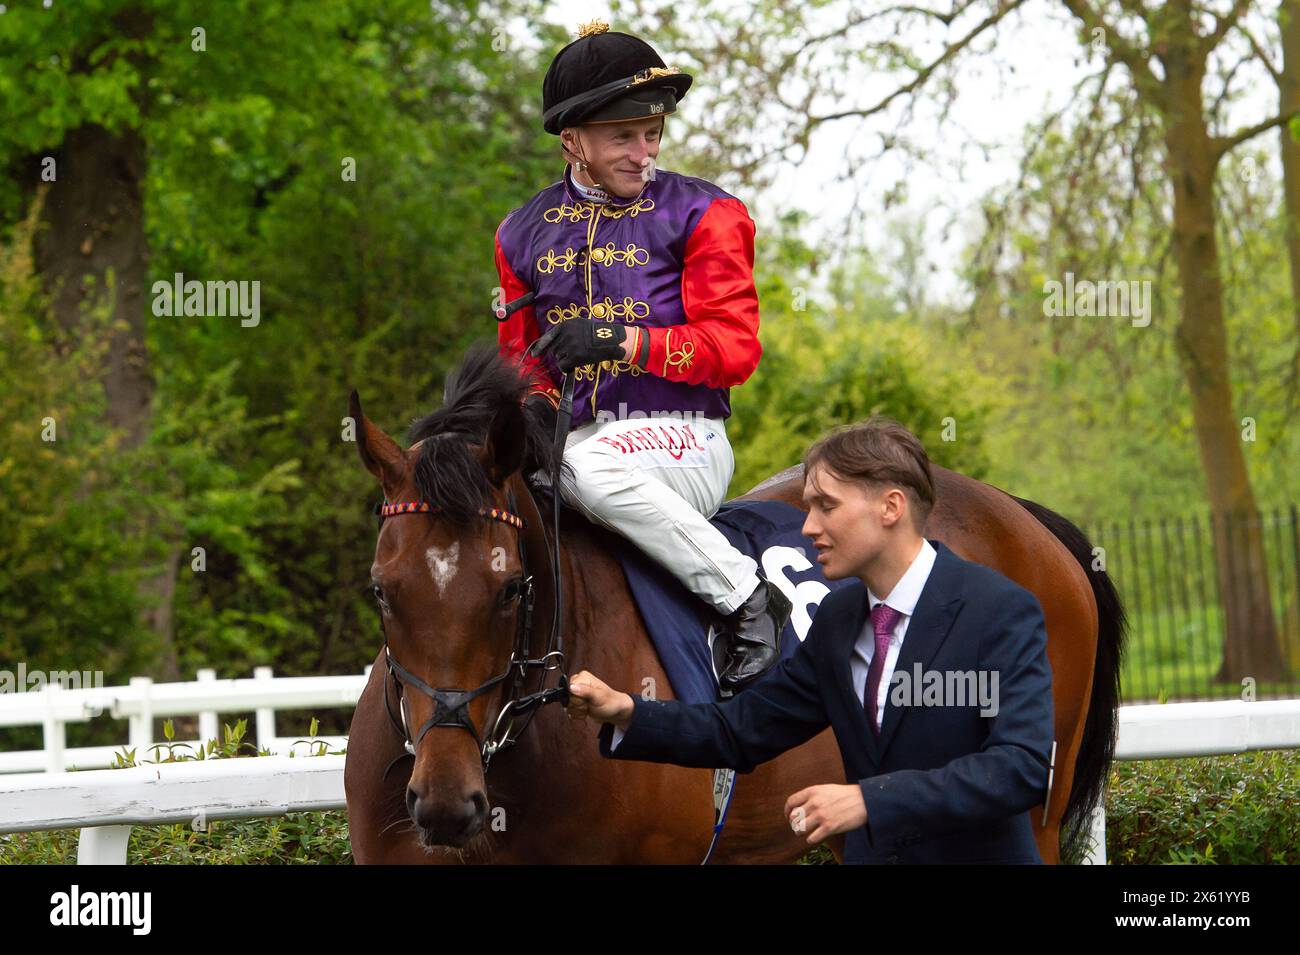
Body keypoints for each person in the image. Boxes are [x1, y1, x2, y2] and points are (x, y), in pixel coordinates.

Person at [566, 417, 1056, 864]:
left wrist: (869, 799)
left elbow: (1020, 768)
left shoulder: (999, 611)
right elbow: (741, 731)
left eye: (827, 506)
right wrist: (628, 711)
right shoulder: (839, 620)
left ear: (891, 507)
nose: (808, 527)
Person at [494, 19, 791, 691]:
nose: (642, 152)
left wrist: (620, 340)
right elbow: (523, 369)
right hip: (575, 447)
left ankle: (748, 597)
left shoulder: (707, 212)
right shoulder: (519, 232)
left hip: (687, 441)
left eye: (651, 133)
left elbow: (736, 349)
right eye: (621, 137)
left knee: (579, 466)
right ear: (573, 142)